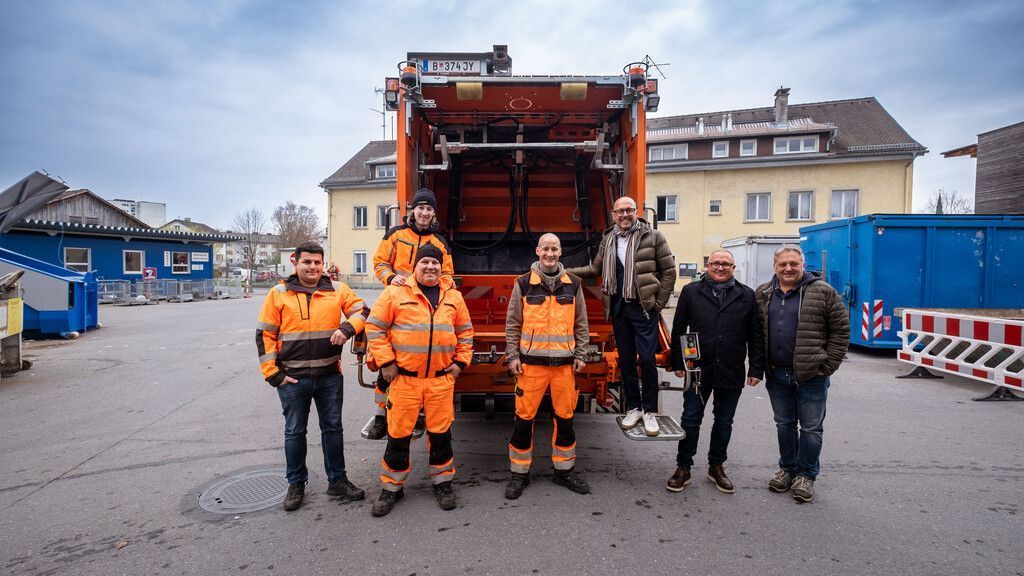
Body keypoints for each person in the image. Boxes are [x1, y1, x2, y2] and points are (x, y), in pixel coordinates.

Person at [256, 241, 368, 511]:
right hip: (293, 379)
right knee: (295, 432)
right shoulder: (279, 293)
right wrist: (274, 375)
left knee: (332, 429)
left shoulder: (338, 289)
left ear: (323, 263)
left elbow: (363, 311)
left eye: (317, 262)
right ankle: (296, 484)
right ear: (295, 262)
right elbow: (265, 335)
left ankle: (337, 480)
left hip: (329, 375)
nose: (313, 267)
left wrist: (347, 328)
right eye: (307, 262)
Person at [365, 244, 473, 517]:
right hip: (405, 381)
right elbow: (375, 327)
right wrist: (386, 362)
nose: (430, 267)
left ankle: (443, 484)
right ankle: (391, 489)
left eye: (435, 263)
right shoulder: (394, 293)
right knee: (399, 436)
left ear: (441, 267)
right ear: (414, 266)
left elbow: (466, 333)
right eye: (424, 262)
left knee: (441, 436)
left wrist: (460, 364)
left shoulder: (453, 297)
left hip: (440, 381)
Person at [568, 196, 676, 436]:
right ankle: (634, 408)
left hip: (643, 307)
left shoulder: (653, 237)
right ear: (613, 215)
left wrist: (658, 304)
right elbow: (595, 270)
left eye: (629, 210)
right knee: (626, 359)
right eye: (620, 211)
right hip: (618, 308)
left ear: (637, 212)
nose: (624, 215)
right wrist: (561, 272)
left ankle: (649, 412)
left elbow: (669, 271)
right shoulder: (608, 240)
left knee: (647, 359)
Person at [754, 245, 849, 503]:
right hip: (777, 374)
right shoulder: (763, 293)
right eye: (783, 264)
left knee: (811, 429)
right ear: (775, 266)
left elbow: (841, 330)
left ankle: (806, 474)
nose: (788, 268)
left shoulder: (823, 292)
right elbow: (756, 333)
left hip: (812, 375)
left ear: (802, 265)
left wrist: (827, 365)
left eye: (793, 264)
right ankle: (787, 469)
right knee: (784, 425)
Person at [666, 250, 764, 494]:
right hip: (697, 368)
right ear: (707, 266)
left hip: (731, 369)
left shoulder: (746, 295)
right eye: (716, 264)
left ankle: (716, 467)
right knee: (690, 418)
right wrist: (678, 362)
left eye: (726, 264)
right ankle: (683, 467)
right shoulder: (691, 292)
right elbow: (679, 327)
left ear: (733, 267)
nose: (720, 268)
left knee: (724, 421)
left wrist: (756, 368)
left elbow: (756, 335)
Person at [504, 234, 590, 499]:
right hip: (531, 366)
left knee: (565, 419)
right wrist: (513, 356)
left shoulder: (573, 284)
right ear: (538, 251)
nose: (550, 253)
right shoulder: (522, 284)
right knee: (523, 420)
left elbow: (581, 323)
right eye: (546, 249)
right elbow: (513, 323)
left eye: (555, 249)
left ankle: (563, 472)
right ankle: (519, 474)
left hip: (564, 366)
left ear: (560, 252)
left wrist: (581, 354)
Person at [365, 188, 454, 440]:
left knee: (422, 362)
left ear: (434, 213)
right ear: (412, 210)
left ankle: (418, 416)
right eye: (421, 208)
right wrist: (392, 279)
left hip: (426, 305)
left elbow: (447, 274)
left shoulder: (439, 242)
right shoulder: (395, 235)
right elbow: (379, 263)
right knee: (388, 364)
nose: (424, 212)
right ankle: (381, 418)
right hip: (396, 301)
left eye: (429, 208)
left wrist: (445, 287)